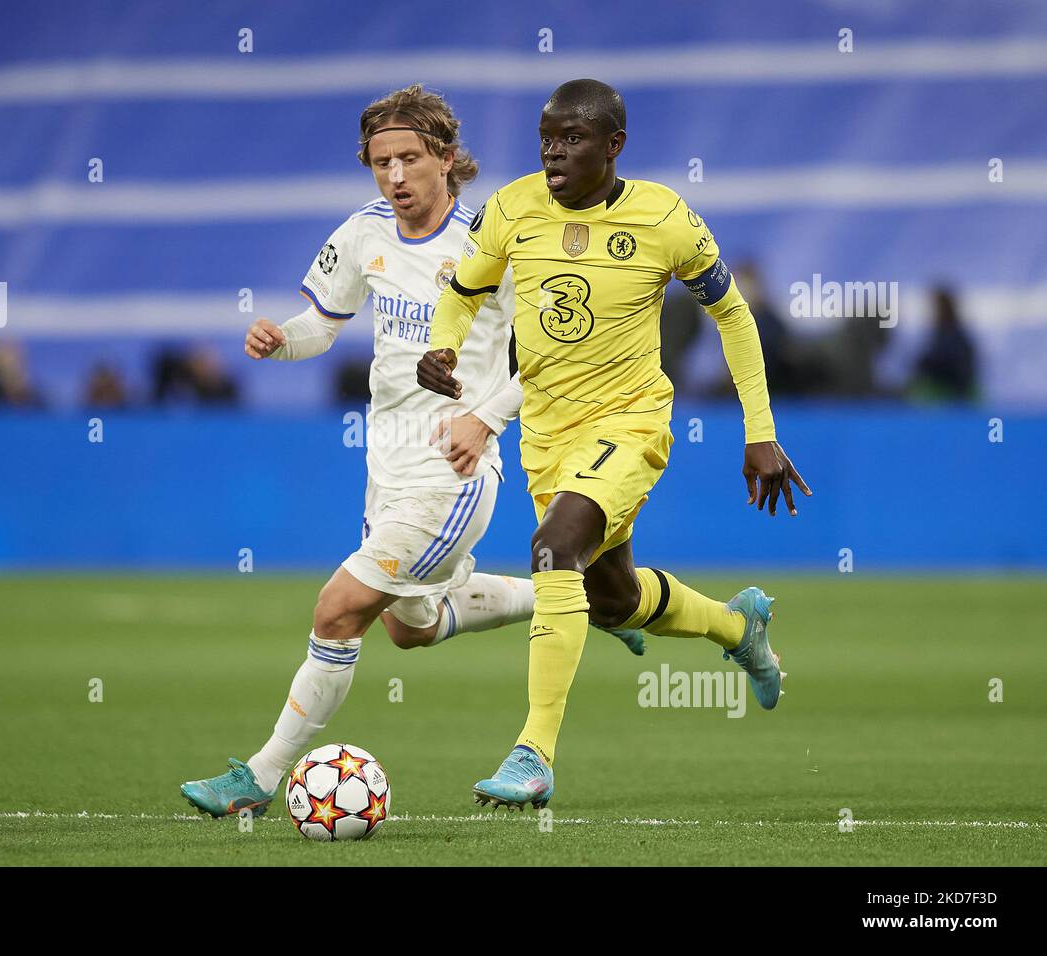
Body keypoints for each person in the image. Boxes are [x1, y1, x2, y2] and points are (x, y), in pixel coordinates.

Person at [181, 84, 615, 821]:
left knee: (338, 611)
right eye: (380, 162)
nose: (395, 176)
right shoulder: (364, 234)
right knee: (407, 627)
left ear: (448, 158)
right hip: (386, 465)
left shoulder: (493, 244)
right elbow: (322, 324)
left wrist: (484, 420)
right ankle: (581, 597)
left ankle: (257, 776)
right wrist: (281, 339)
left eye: (409, 158)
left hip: (454, 470)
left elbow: (546, 356)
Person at [417, 79, 811, 810]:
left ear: (614, 146)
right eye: (546, 136)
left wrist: (761, 432)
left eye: (572, 138)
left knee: (553, 547)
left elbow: (733, 315)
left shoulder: (665, 217)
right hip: (547, 431)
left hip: (629, 423)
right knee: (610, 599)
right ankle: (738, 625)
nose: (553, 150)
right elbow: (466, 289)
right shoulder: (510, 207)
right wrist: (444, 345)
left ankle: (532, 754)